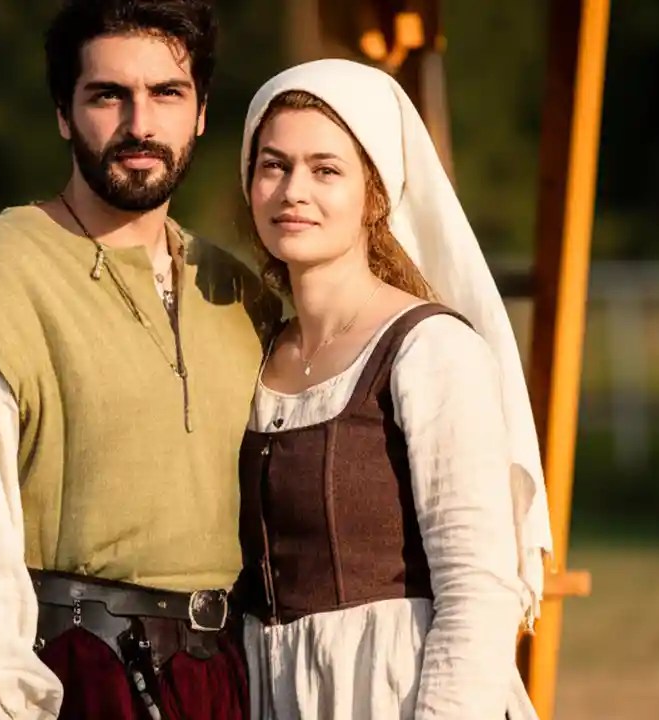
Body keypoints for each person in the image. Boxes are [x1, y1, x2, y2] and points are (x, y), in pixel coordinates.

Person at [0, 1, 263, 718]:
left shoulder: (240, 295)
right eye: (107, 95)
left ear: (202, 112)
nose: (140, 126)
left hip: (229, 686)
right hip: (80, 683)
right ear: (64, 112)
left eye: (167, 93)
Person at [232, 58, 553, 719]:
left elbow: (476, 590)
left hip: (398, 693)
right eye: (274, 165)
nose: (294, 190)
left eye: (326, 169)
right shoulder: (255, 354)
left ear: (374, 194)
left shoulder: (430, 350)